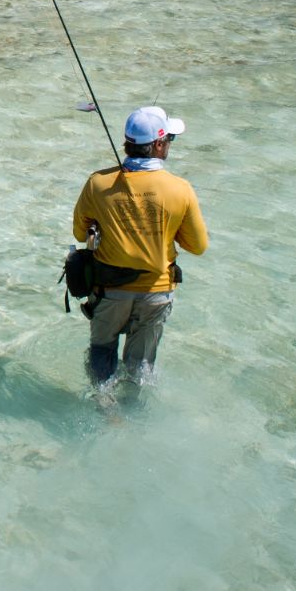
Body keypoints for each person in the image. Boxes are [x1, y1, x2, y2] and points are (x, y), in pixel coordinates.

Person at [72, 105, 208, 392]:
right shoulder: (181, 189)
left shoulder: (98, 183)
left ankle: (105, 410)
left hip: (108, 292)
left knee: (101, 353)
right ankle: (136, 412)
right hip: (156, 293)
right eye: (170, 139)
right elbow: (198, 246)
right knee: (141, 366)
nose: (170, 144)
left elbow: (78, 232)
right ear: (158, 144)